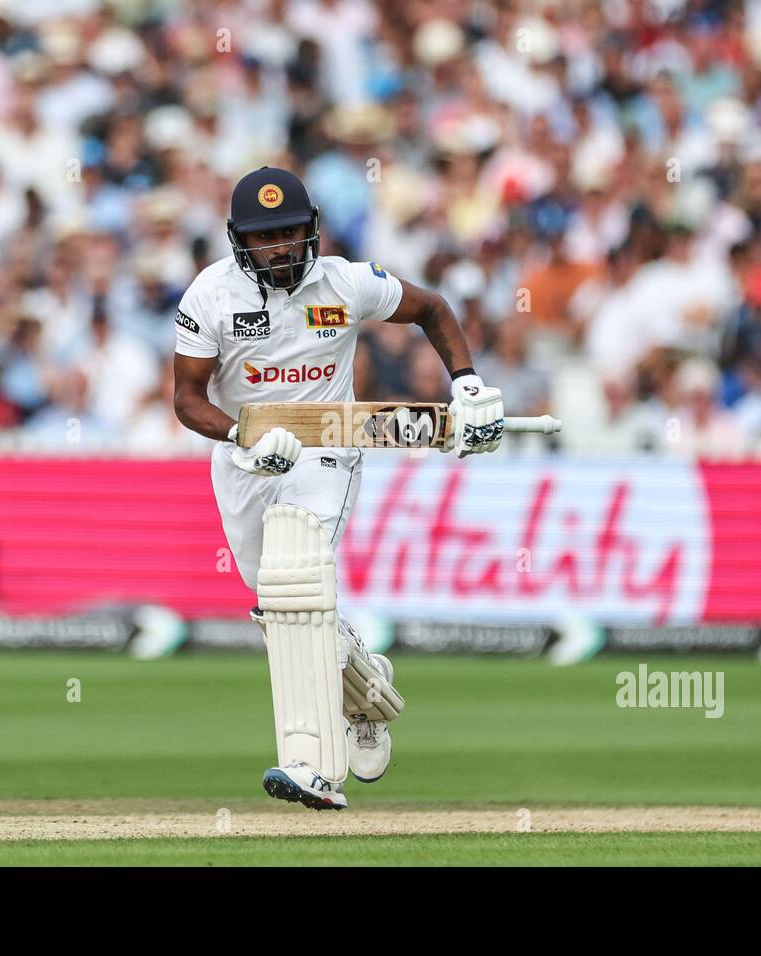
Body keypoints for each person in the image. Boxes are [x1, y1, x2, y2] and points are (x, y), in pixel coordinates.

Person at [172, 166, 506, 810]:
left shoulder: (345, 283)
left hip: (328, 447)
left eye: (292, 231)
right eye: (265, 236)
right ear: (240, 239)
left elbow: (432, 308)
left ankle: (312, 766)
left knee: (296, 585)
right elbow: (187, 400)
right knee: (273, 598)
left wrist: (464, 381)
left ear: (312, 229)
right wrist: (244, 436)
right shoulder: (210, 296)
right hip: (245, 454)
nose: (280, 247)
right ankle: (368, 692)